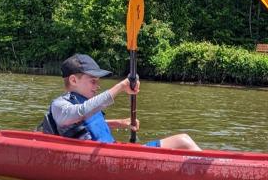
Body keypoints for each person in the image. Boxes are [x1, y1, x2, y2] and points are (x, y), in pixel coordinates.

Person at [39, 53, 201, 150]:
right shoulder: (60, 105)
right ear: (73, 80)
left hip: (111, 151)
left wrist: (120, 123)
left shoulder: (84, 103)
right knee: (183, 141)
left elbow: (86, 126)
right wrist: (120, 87)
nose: (97, 86)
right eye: (93, 81)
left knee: (183, 140)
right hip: (104, 158)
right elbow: (80, 113)